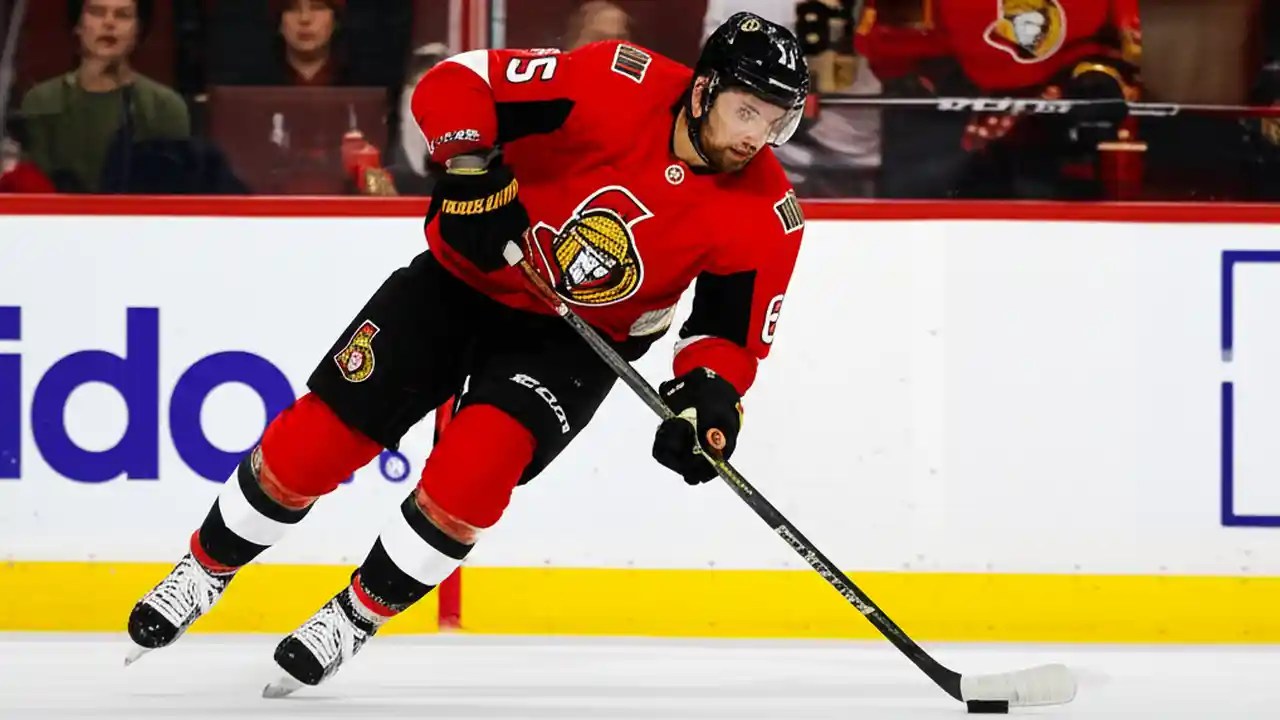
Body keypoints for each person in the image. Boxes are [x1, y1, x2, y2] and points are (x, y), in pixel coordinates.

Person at [125, 11, 810, 694]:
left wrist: (710, 398)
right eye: (747, 110)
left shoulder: (769, 212)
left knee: (476, 472)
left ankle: (355, 617)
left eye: (775, 122)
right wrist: (469, 169)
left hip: (571, 343)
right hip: (462, 280)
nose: (757, 136)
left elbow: (726, 337)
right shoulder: (612, 79)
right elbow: (457, 82)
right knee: (315, 443)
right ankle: (205, 568)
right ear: (702, 90)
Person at [17, 0, 189, 193]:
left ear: (138, 29)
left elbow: (171, 192)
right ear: (78, 24)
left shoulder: (163, 106)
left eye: (123, 15)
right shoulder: (42, 101)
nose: (109, 23)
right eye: (97, 12)